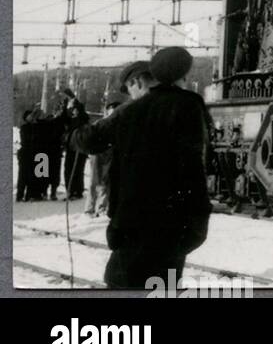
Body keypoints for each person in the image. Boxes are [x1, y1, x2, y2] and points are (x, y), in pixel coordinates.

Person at [71, 48, 212, 291]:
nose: (131, 95)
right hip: (179, 224)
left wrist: (76, 119)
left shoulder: (130, 111)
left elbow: (87, 140)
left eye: (130, 89)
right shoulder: (193, 107)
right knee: (164, 286)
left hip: (134, 221)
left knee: (124, 284)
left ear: (136, 82)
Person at [83, 94, 125, 216]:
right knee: (94, 181)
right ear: (108, 111)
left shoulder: (120, 125)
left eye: (115, 110)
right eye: (111, 109)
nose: (113, 112)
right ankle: (89, 208)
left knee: (106, 181)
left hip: (110, 153)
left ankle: (101, 208)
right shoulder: (100, 123)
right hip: (97, 154)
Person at [60, 92, 90, 200]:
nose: (74, 111)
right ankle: (70, 191)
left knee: (77, 170)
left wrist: (74, 100)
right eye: (73, 110)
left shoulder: (83, 119)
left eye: (76, 109)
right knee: (68, 169)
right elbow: (63, 118)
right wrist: (65, 105)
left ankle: (78, 191)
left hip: (80, 149)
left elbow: (82, 112)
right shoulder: (71, 120)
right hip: (71, 148)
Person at [17, 109, 40, 200]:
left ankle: (29, 195)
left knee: (31, 175)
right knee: (22, 175)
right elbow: (26, 139)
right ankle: (20, 195)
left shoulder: (36, 127)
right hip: (25, 153)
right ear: (26, 118)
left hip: (33, 154)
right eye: (29, 116)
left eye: (32, 116)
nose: (31, 117)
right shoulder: (24, 127)